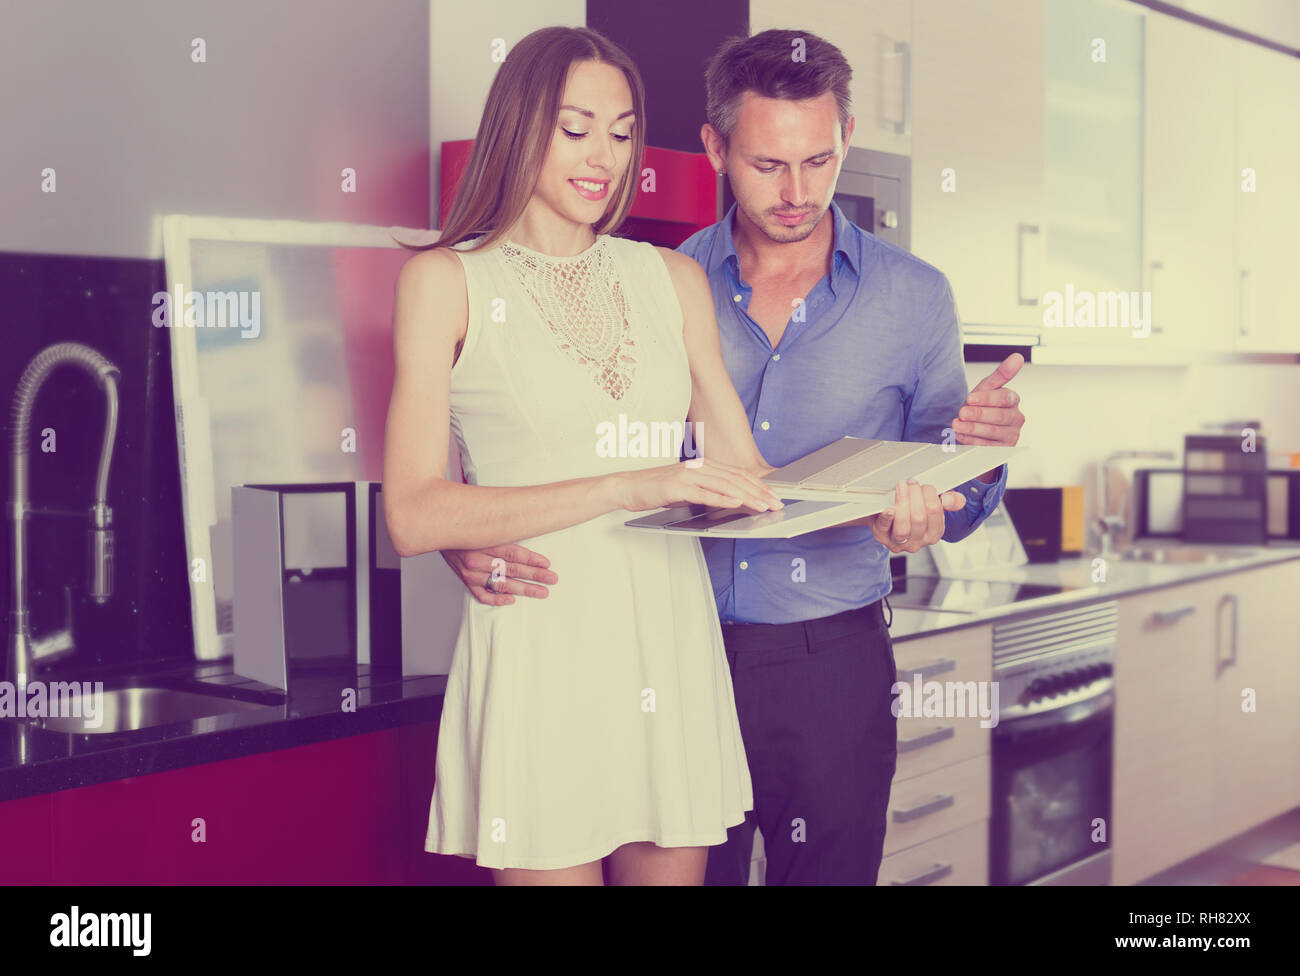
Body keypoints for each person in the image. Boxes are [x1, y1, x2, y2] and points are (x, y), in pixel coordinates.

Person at [442, 28, 1027, 885]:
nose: (797, 192)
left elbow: (951, 466)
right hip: (670, 651)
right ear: (714, 146)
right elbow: (534, 428)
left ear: (846, 136)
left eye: (819, 161)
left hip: (829, 663)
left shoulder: (914, 297)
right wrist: (471, 526)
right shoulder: (654, 278)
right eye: (766, 166)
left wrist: (960, 476)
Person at [385, 24, 795, 886]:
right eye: (575, 129)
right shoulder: (447, 282)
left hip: (667, 647)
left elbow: (744, 472)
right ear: (520, 126)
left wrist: (888, 485)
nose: (603, 156)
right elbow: (415, 513)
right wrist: (624, 484)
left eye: (621, 131)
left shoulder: (670, 280)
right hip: (543, 649)